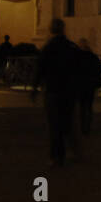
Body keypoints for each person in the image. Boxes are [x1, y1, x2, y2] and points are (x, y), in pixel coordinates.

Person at [32, 19, 81, 167]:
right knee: (67, 121)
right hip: (68, 91)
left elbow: (40, 69)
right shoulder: (71, 47)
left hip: (53, 91)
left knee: (54, 125)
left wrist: (34, 88)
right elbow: (78, 68)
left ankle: (57, 155)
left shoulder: (48, 48)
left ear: (51, 30)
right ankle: (71, 151)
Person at [75, 38, 101, 136]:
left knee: (82, 106)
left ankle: (83, 126)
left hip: (81, 85)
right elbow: (100, 68)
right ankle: (88, 125)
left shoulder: (77, 57)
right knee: (89, 106)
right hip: (90, 85)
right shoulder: (93, 57)